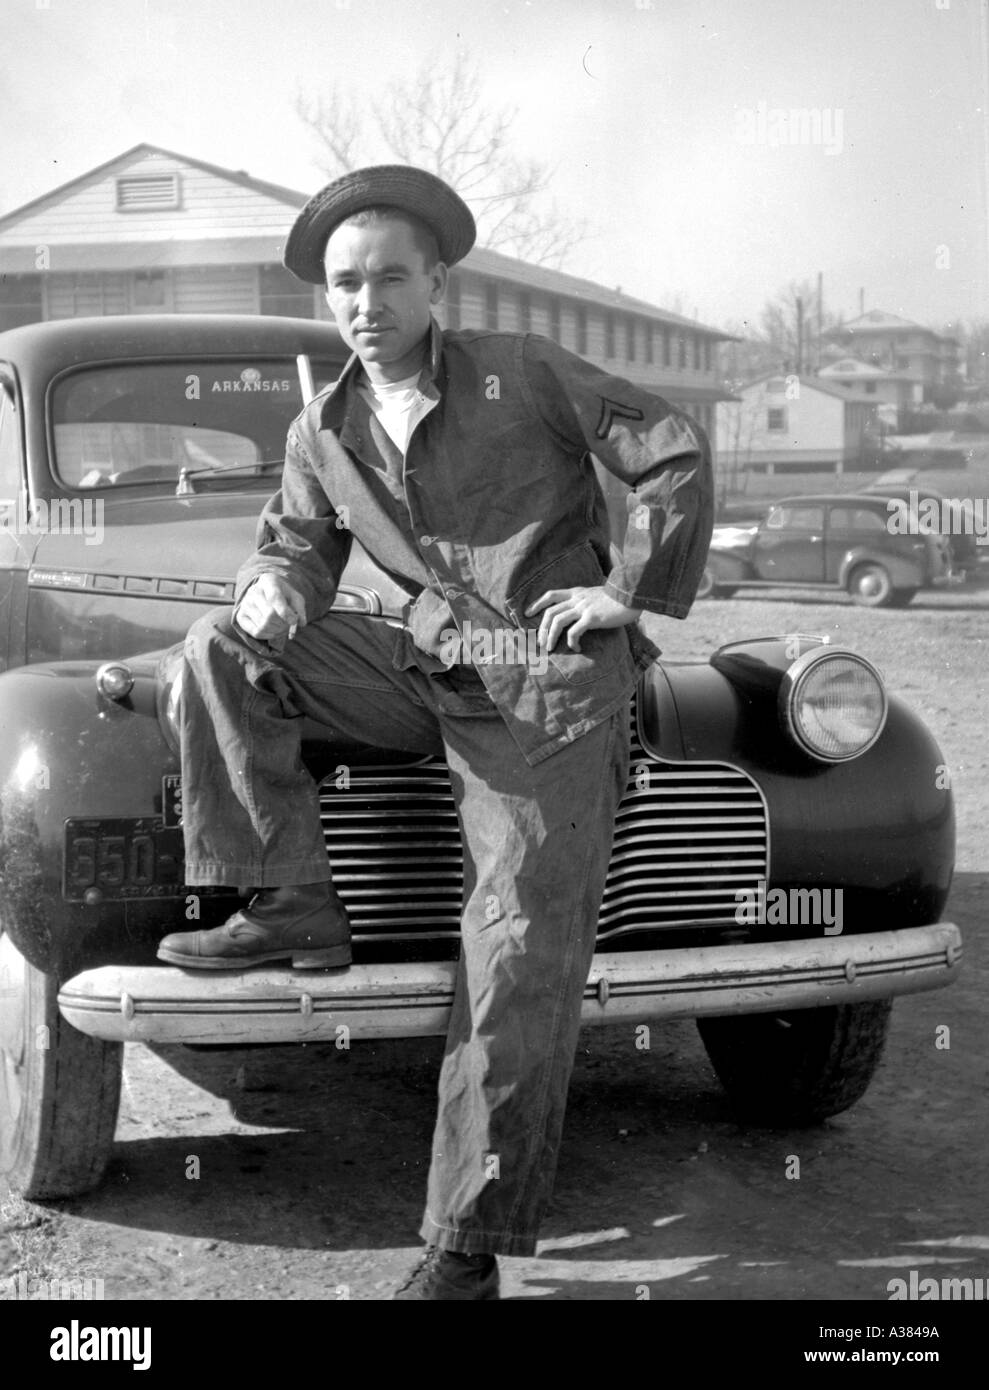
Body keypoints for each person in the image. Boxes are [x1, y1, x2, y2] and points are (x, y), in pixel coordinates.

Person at [157, 165, 714, 1299]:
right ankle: (289, 903)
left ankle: (465, 1245)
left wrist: (630, 592)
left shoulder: (525, 369)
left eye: (389, 278)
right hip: (423, 663)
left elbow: (666, 441)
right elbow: (298, 548)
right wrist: (274, 589)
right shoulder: (324, 427)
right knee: (217, 647)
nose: (366, 303)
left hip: (547, 686)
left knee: (511, 949)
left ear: (437, 283)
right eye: (344, 284)